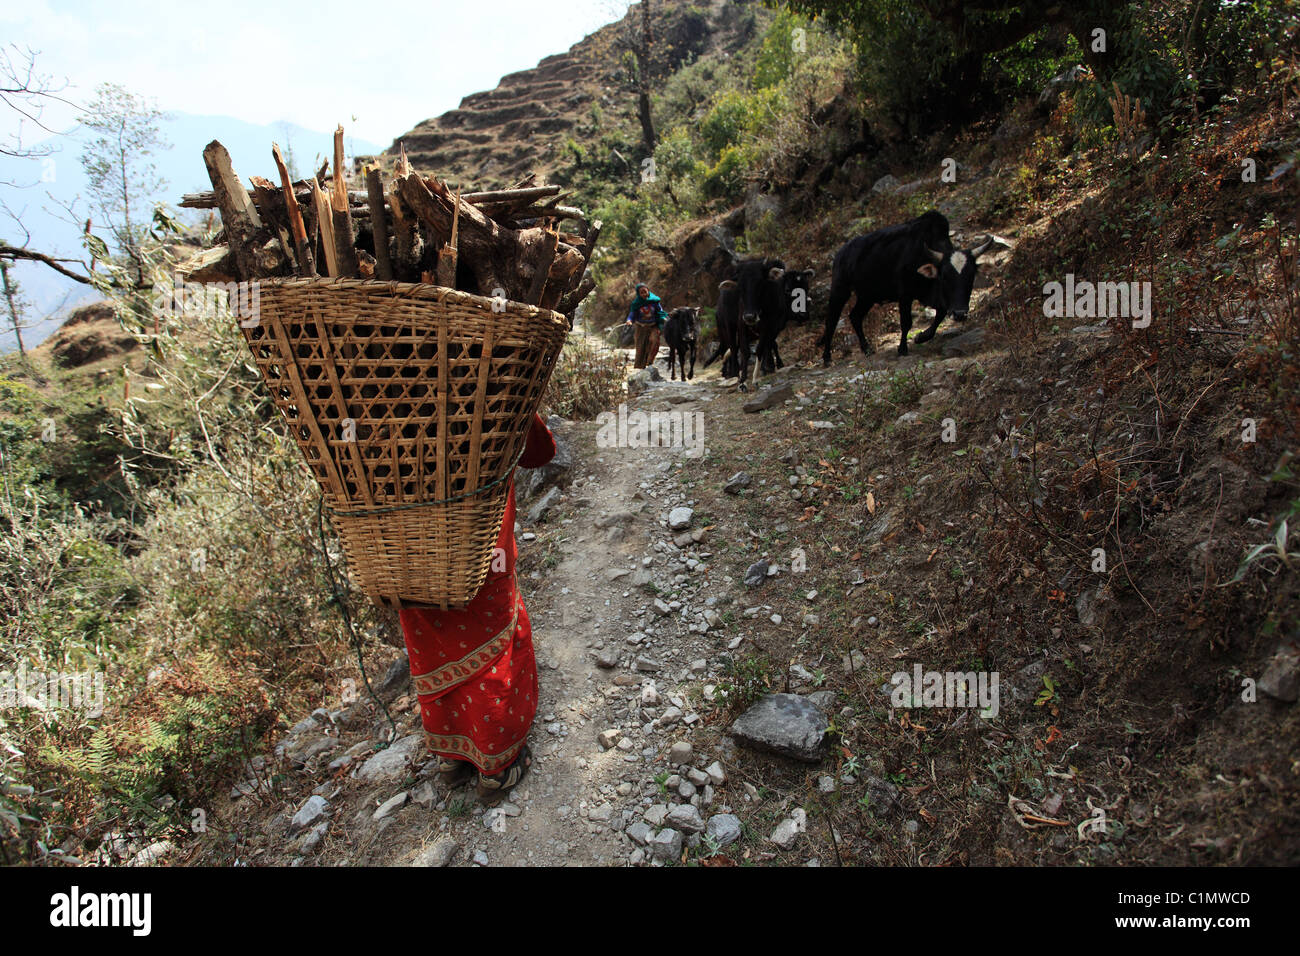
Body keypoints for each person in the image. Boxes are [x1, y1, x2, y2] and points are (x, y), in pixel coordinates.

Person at [398, 412, 555, 801]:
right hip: (482, 552)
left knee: (433, 645)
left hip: (404, 551)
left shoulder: (371, 395)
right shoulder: (493, 381)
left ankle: (451, 758)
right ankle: (496, 768)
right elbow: (539, 451)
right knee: (493, 652)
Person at [625, 282, 668, 369]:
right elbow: (632, 314)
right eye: (642, 293)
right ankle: (641, 367)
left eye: (645, 291)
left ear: (648, 291)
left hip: (653, 326)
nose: (644, 294)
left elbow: (660, 312)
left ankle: (650, 361)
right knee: (641, 347)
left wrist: (663, 317)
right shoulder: (636, 303)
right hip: (641, 327)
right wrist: (629, 320)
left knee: (654, 341)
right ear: (638, 294)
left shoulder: (654, 301)